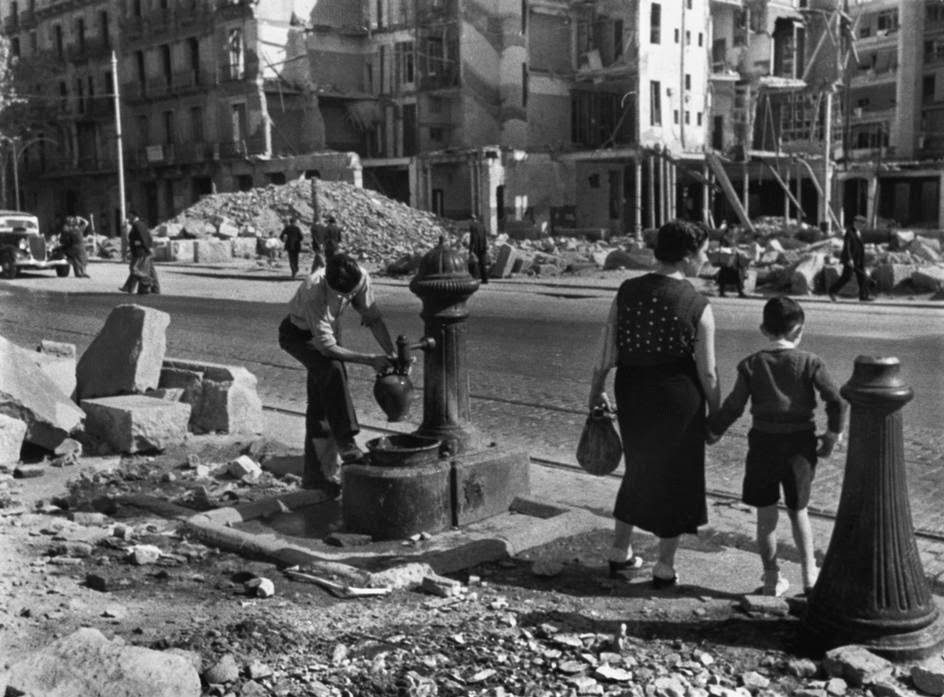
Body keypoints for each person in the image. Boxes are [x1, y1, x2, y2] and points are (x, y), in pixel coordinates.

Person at [588, 220, 720, 588]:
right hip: (679, 399)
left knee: (638, 468)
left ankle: (619, 551)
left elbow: (606, 348)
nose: (705, 258)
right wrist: (718, 415)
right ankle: (664, 566)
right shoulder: (698, 303)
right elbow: (707, 372)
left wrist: (597, 389)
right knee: (679, 479)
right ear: (688, 256)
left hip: (633, 390)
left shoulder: (627, 290)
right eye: (703, 252)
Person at [707, 297, 845, 597]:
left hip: (763, 445)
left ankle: (772, 579)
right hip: (800, 445)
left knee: (766, 516)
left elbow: (734, 406)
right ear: (799, 330)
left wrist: (713, 430)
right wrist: (832, 435)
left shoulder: (751, 365)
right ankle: (810, 575)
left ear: (762, 329)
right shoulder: (811, 362)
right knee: (799, 511)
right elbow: (835, 400)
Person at [278, 253, 396, 495]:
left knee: (323, 401)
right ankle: (346, 441)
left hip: (329, 329)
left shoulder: (360, 277)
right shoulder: (314, 291)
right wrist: (370, 360)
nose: (344, 299)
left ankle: (316, 476)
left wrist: (391, 352)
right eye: (339, 295)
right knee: (333, 371)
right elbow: (327, 348)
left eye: (348, 295)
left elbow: (372, 317)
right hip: (298, 335)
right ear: (329, 284)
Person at [828, 215, 871, 302]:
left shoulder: (858, 232)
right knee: (846, 277)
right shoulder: (849, 232)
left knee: (862, 277)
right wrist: (849, 259)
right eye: (861, 223)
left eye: (863, 224)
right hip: (851, 259)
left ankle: (863, 296)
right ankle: (832, 291)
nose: (863, 225)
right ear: (856, 222)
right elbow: (847, 246)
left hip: (859, 259)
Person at [119, 210, 160, 295]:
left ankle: (147, 281)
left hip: (141, 252)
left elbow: (144, 238)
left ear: (134, 216)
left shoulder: (138, 225)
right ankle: (149, 289)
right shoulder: (138, 225)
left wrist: (147, 249)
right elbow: (147, 237)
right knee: (149, 270)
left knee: (134, 269)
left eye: (129, 216)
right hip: (142, 251)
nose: (128, 218)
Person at [716, 229, 746, 298]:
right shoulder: (724, 239)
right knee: (724, 276)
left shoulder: (732, 239)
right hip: (726, 260)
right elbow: (721, 248)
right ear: (729, 230)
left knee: (737, 276)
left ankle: (740, 292)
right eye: (733, 230)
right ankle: (722, 292)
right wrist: (731, 250)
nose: (735, 232)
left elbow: (735, 248)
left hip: (733, 260)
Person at [467, 213, 489, 284]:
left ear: (471, 220)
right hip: (483, 247)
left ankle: (475, 277)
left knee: (476, 263)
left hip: (477, 247)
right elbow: (485, 237)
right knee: (483, 264)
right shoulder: (482, 226)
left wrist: (470, 250)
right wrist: (485, 246)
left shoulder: (473, 226)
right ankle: (485, 279)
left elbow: (472, 239)